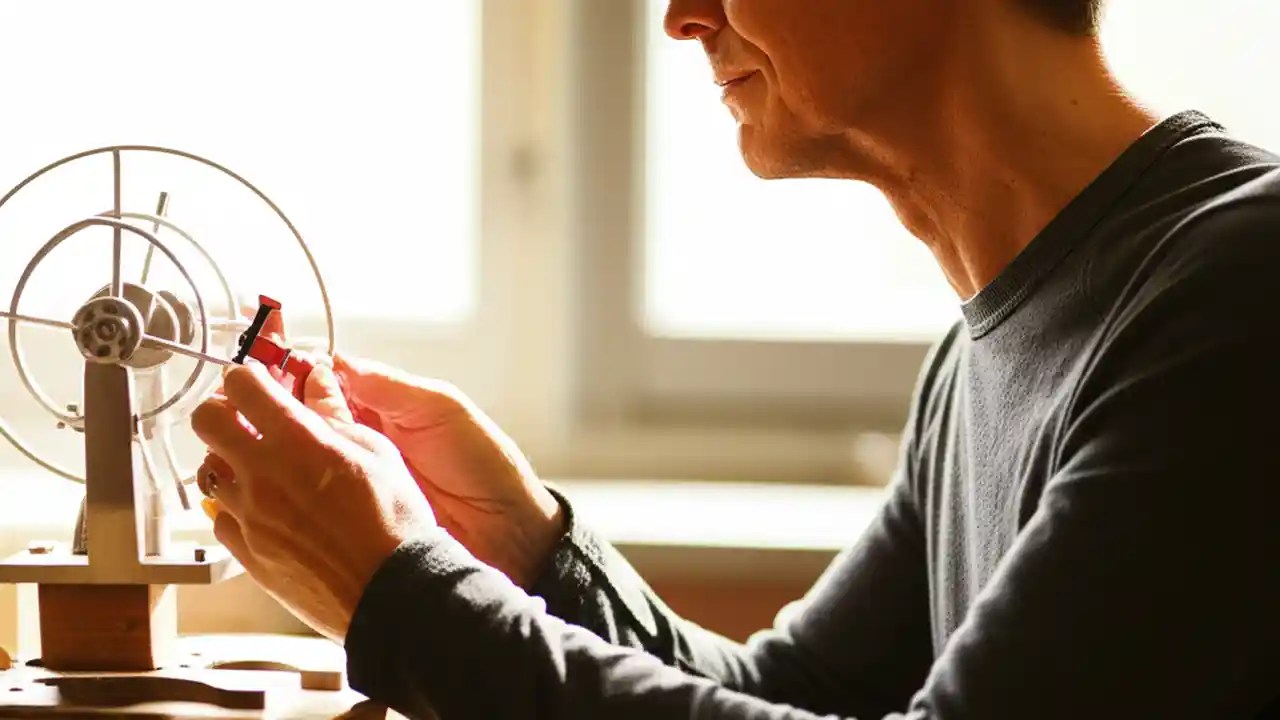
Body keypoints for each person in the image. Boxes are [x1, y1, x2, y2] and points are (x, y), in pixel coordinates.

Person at [191, 0, 1280, 717]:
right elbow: (797, 691)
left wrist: (404, 599)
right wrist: (523, 551)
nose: (679, 18)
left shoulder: (1240, 291)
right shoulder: (975, 358)